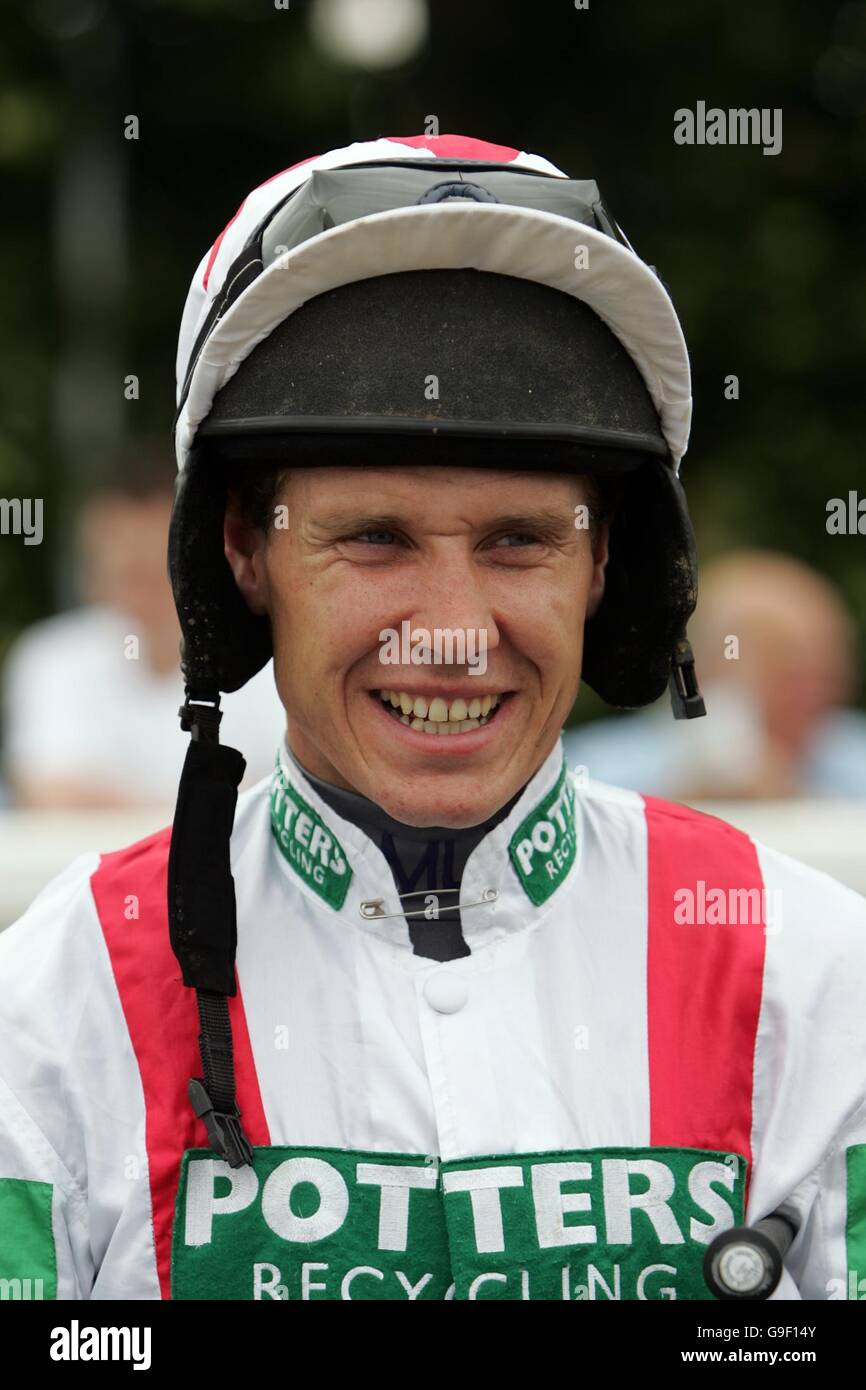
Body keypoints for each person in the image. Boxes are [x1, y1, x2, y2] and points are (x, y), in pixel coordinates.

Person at [0, 135, 864, 1302]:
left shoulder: (814, 973)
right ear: (243, 554)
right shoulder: (58, 995)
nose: (453, 631)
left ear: (607, 563)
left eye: (519, 540)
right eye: (373, 539)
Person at [2, 451, 284, 807]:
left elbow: (282, 796)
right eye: (124, 572)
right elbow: (50, 794)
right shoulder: (53, 658)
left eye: (153, 570)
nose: (140, 593)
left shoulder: (269, 662)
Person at [564, 550, 866, 801]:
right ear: (708, 670)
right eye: (790, 675)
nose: (814, 695)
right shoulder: (591, 773)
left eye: (827, 674)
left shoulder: (852, 757)